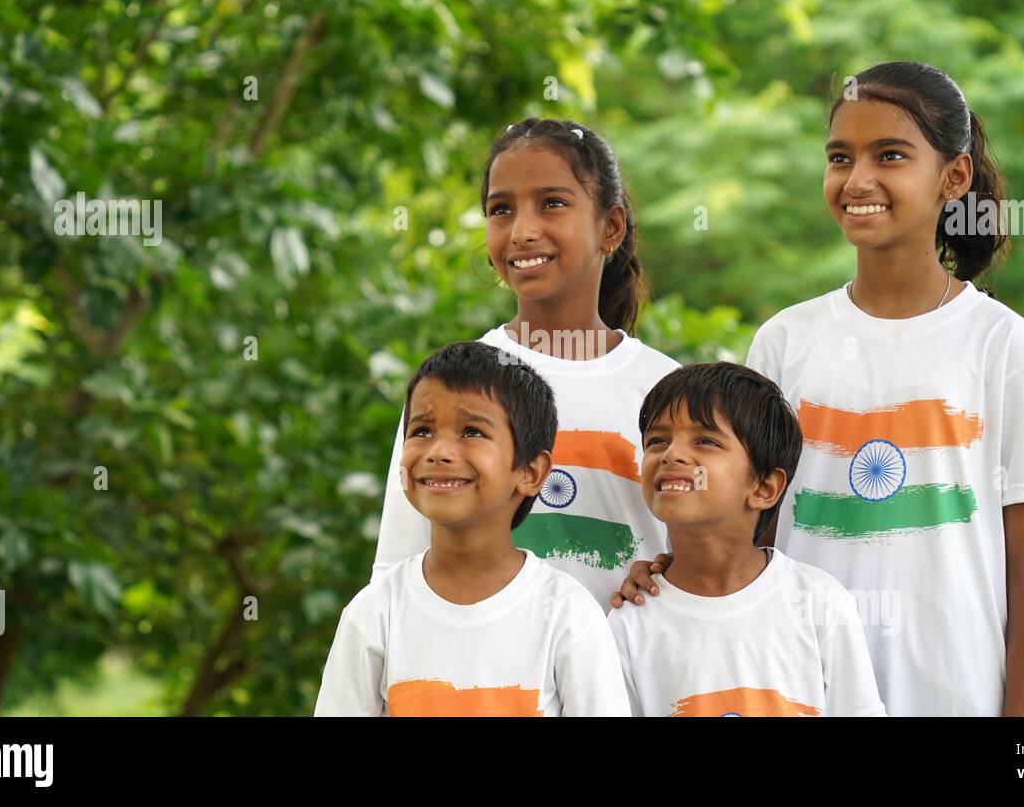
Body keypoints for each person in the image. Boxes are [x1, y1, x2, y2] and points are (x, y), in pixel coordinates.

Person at [614, 62, 1024, 716]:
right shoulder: (785, 340)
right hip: (797, 692)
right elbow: (744, 523)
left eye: (890, 155)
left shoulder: (1005, 347)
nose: (858, 179)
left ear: (954, 178)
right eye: (841, 157)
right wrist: (667, 574)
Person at [373, 119, 680, 609]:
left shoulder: (669, 390)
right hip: (493, 680)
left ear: (611, 227)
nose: (522, 231)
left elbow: (704, 560)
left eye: (552, 203)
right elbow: (398, 567)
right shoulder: (454, 388)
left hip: (633, 680)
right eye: (501, 209)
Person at [316, 342, 629, 716]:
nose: (439, 451)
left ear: (530, 473)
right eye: (422, 431)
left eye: (472, 432)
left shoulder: (567, 614)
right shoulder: (374, 613)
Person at [607, 363, 885, 716]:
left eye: (705, 441)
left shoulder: (819, 604)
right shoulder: (629, 624)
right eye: (657, 440)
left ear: (764, 487)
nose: (671, 454)